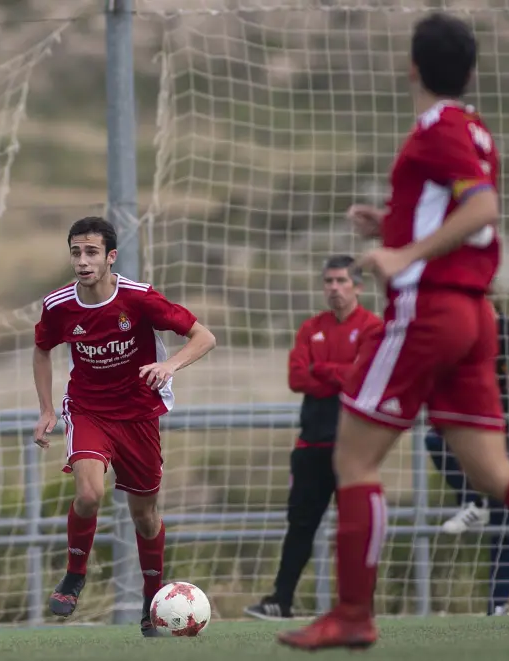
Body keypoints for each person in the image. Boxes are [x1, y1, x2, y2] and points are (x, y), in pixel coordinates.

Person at [277, 13, 509, 652]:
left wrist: (404, 254)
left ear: (411, 66)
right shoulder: (475, 128)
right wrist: (387, 226)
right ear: (470, 71)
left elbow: (481, 208)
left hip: (431, 312)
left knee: (354, 459)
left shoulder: (435, 129)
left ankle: (354, 612)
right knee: (492, 469)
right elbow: (458, 211)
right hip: (475, 316)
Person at [32, 216, 216, 636]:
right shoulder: (59, 305)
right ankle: (75, 574)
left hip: (138, 415)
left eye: (92, 252)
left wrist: (169, 365)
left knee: (145, 516)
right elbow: (41, 350)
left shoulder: (139, 299)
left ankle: (153, 602)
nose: (82, 260)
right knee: (89, 492)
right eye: (76, 252)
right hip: (87, 409)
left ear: (111, 257)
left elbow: (204, 337)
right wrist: (46, 410)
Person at [245, 255, 382, 620]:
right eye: (328, 281)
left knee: (355, 528)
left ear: (358, 286)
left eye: (341, 281)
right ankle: (280, 600)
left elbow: (363, 377)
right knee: (301, 525)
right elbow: (296, 378)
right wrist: (338, 373)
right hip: (311, 446)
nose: (334, 288)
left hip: (355, 448)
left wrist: (321, 370)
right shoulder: (310, 328)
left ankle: (359, 606)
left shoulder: (372, 328)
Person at [424, 302, 509, 616]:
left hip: (508, 443)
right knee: (433, 440)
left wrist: (490, 407)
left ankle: (498, 603)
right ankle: (472, 501)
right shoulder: (463, 347)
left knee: (505, 524)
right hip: (470, 437)